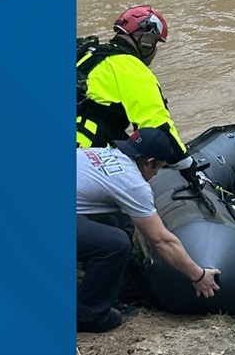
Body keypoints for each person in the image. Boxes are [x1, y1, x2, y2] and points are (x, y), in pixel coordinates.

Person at [77, 128, 220, 332]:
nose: (154, 175)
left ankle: (116, 289)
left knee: (114, 222)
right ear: (150, 161)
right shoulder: (133, 183)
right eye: (157, 169)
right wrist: (198, 275)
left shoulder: (103, 152)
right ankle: (88, 315)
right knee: (116, 245)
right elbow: (161, 241)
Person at [77, 5, 196, 176]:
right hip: (85, 160)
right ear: (146, 40)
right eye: (155, 44)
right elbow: (156, 126)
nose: (155, 51)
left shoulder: (86, 54)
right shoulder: (131, 69)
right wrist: (186, 164)